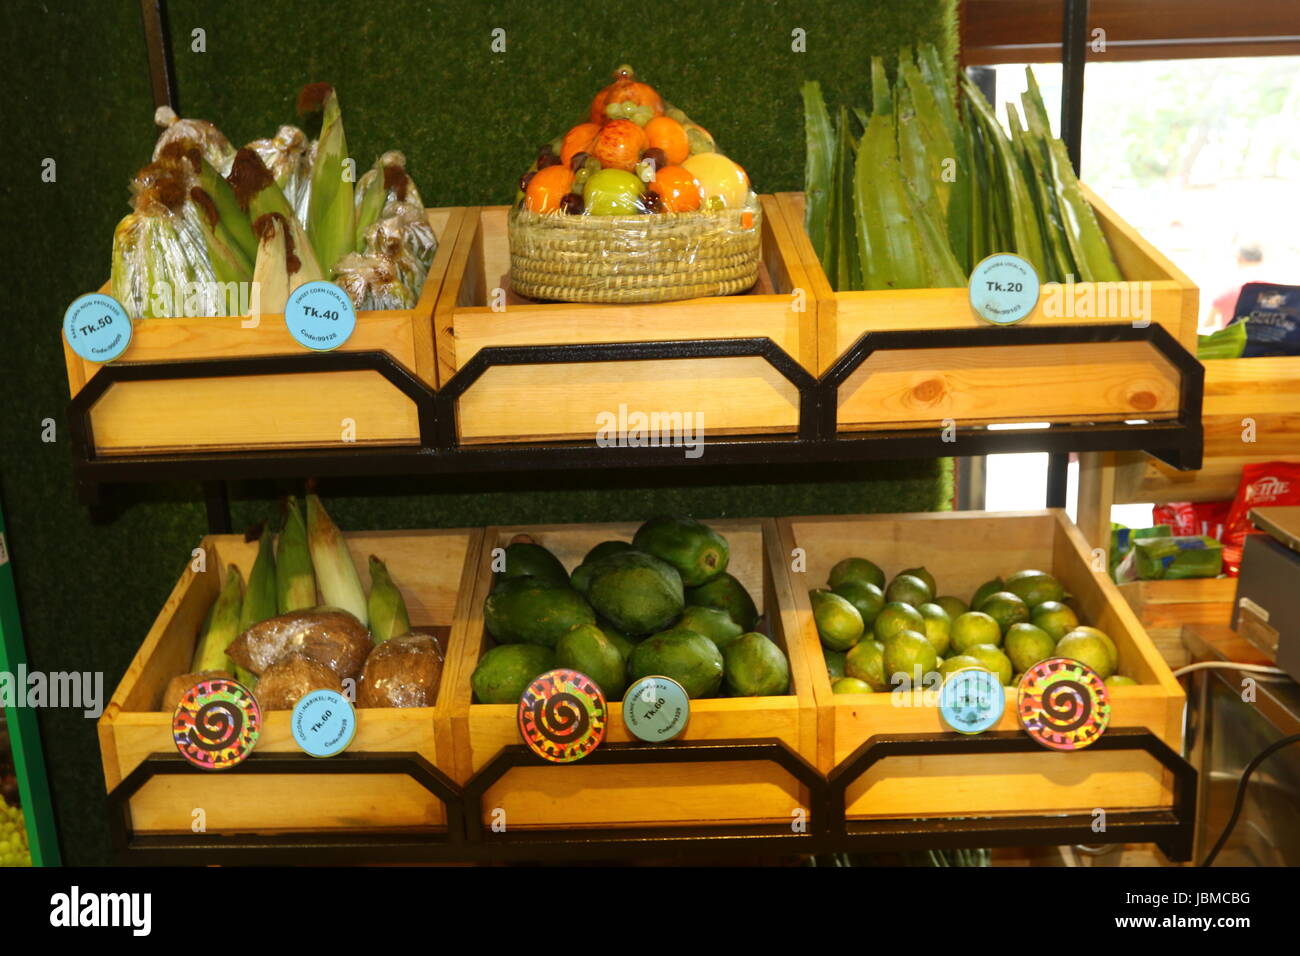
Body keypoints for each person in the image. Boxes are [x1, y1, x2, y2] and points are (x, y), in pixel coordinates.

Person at [1207, 243, 1270, 330]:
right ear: (1262, 259)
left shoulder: (1229, 285)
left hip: (1233, 340)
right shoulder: (1273, 285)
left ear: (1239, 258)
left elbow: (1209, 322)